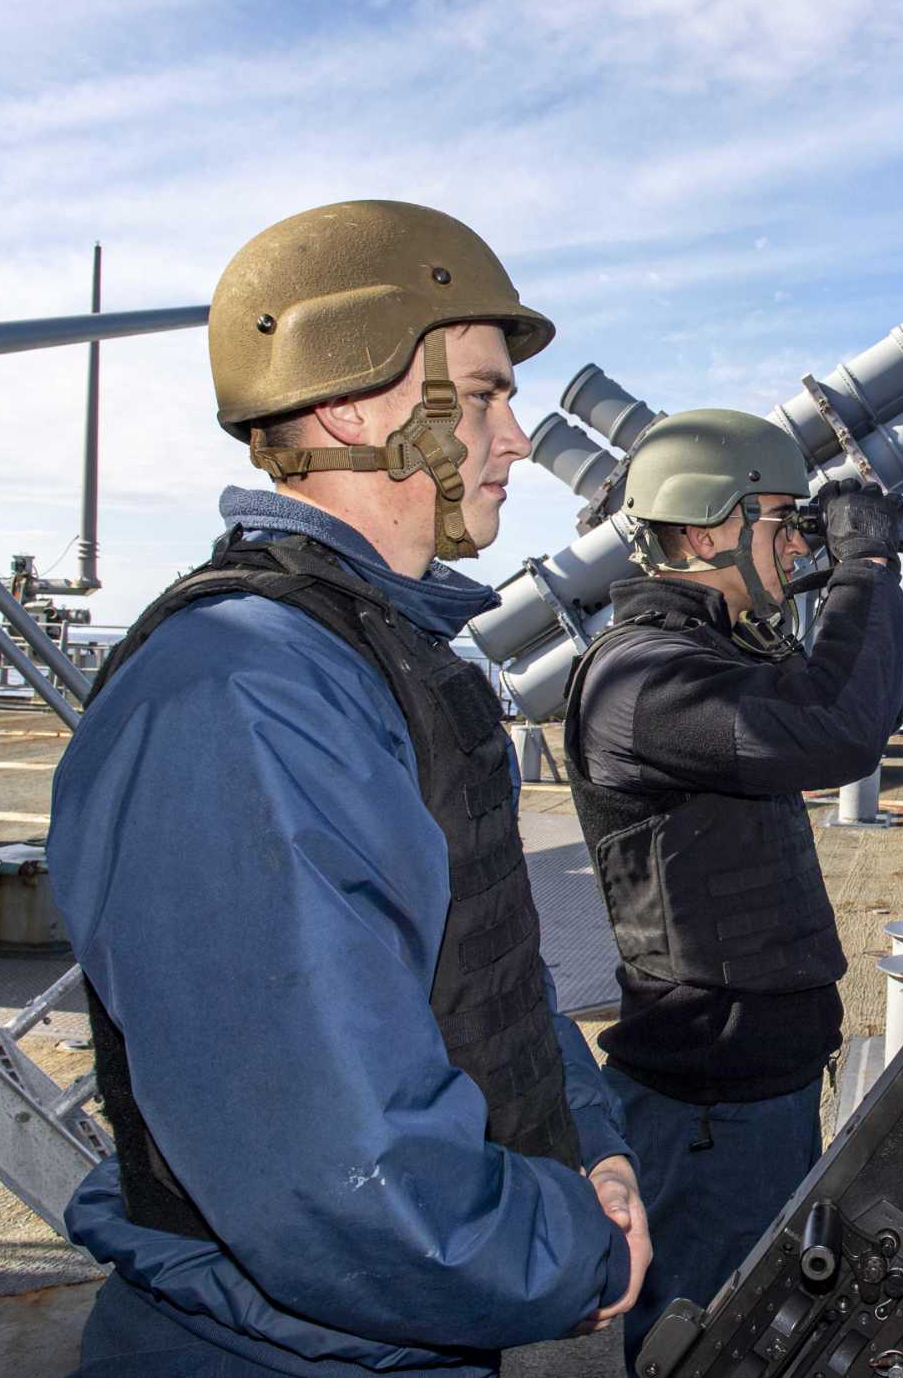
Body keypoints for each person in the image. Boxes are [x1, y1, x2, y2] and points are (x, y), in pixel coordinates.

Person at [49, 200, 650, 1377]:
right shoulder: (241, 692)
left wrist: (588, 1147)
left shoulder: (374, 658)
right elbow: (333, 1168)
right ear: (351, 402)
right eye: (482, 393)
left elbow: (478, 978)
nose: (516, 436)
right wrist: (568, 1243)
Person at [561, 410, 903, 1361]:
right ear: (713, 526)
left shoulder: (707, 657)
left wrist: (854, 580)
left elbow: (856, 697)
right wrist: (864, 568)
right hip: (708, 1110)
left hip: (755, 1090)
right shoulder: (647, 679)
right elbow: (838, 724)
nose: (800, 540)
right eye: (785, 519)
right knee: (711, 1349)